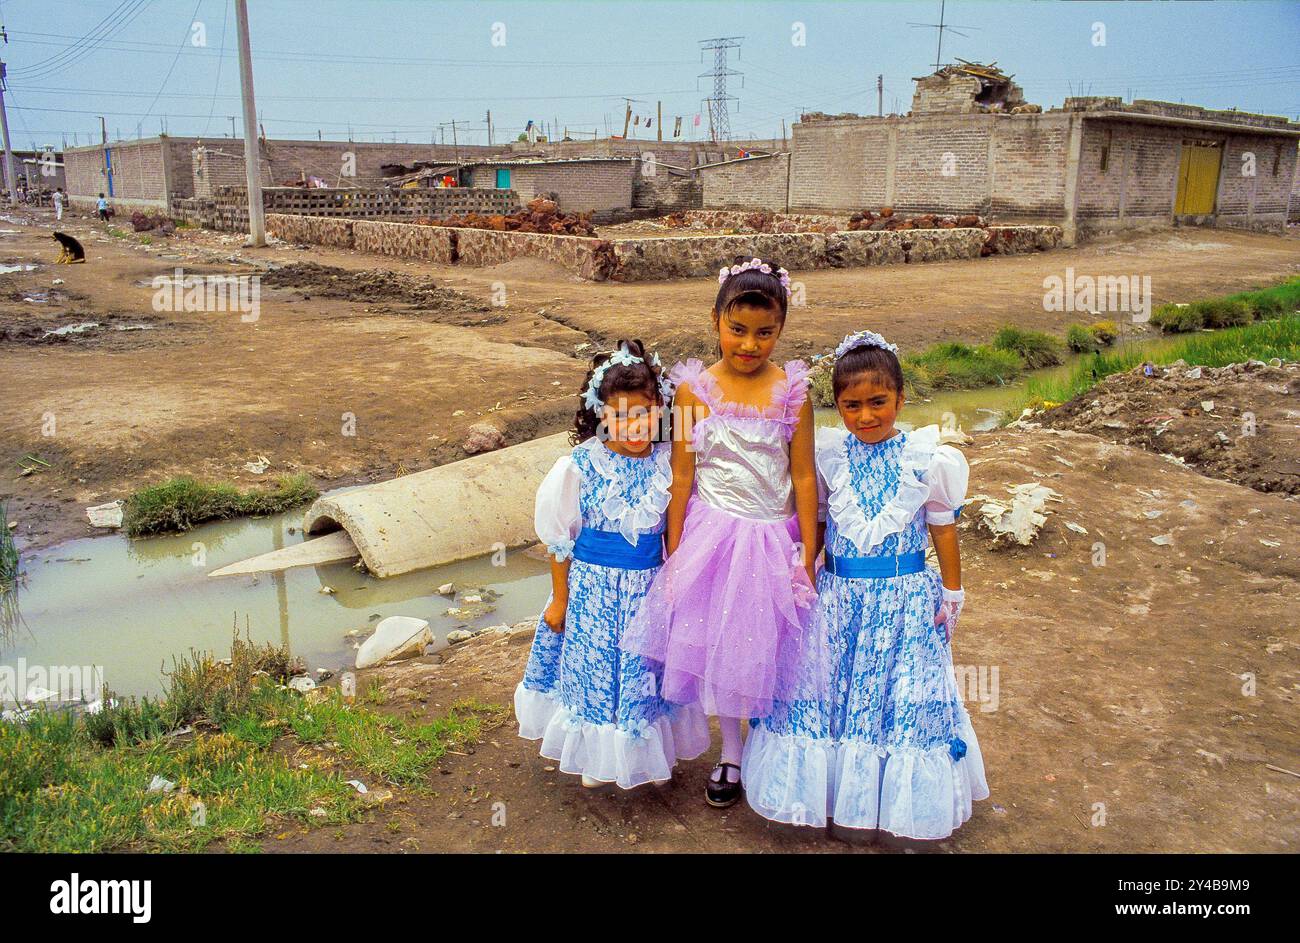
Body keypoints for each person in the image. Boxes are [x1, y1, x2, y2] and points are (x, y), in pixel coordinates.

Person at [743, 330, 989, 840]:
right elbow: (818, 523)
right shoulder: (830, 458)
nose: (866, 416)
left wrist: (953, 591)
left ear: (900, 398)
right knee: (835, 695)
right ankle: (838, 800)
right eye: (851, 406)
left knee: (902, 699)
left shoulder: (928, 459)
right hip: (839, 599)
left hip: (904, 601)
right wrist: (803, 571)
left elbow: (943, 529)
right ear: (837, 407)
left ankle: (902, 810)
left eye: (878, 402)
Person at [619, 256, 821, 808]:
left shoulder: (792, 392)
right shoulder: (693, 393)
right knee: (725, 646)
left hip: (774, 538)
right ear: (715, 322)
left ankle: (773, 749)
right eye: (738, 330)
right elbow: (682, 473)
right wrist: (676, 544)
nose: (750, 345)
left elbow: (803, 475)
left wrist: (809, 547)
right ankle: (730, 753)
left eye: (765, 333)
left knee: (772, 646)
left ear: (780, 329)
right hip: (713, 537)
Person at [515, 339, 710, 789]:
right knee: (597, 672)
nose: (633, 426)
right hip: (592, 593)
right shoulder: (579, 466)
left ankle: (645, 753)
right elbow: (559, 541)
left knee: (645, 673)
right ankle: (601, 758)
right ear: (600, 414)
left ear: (661, 409)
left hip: (648, 589)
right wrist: (560, 600)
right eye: (619, 416)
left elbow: (678, 528)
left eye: (643, 413)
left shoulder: (671, 464)